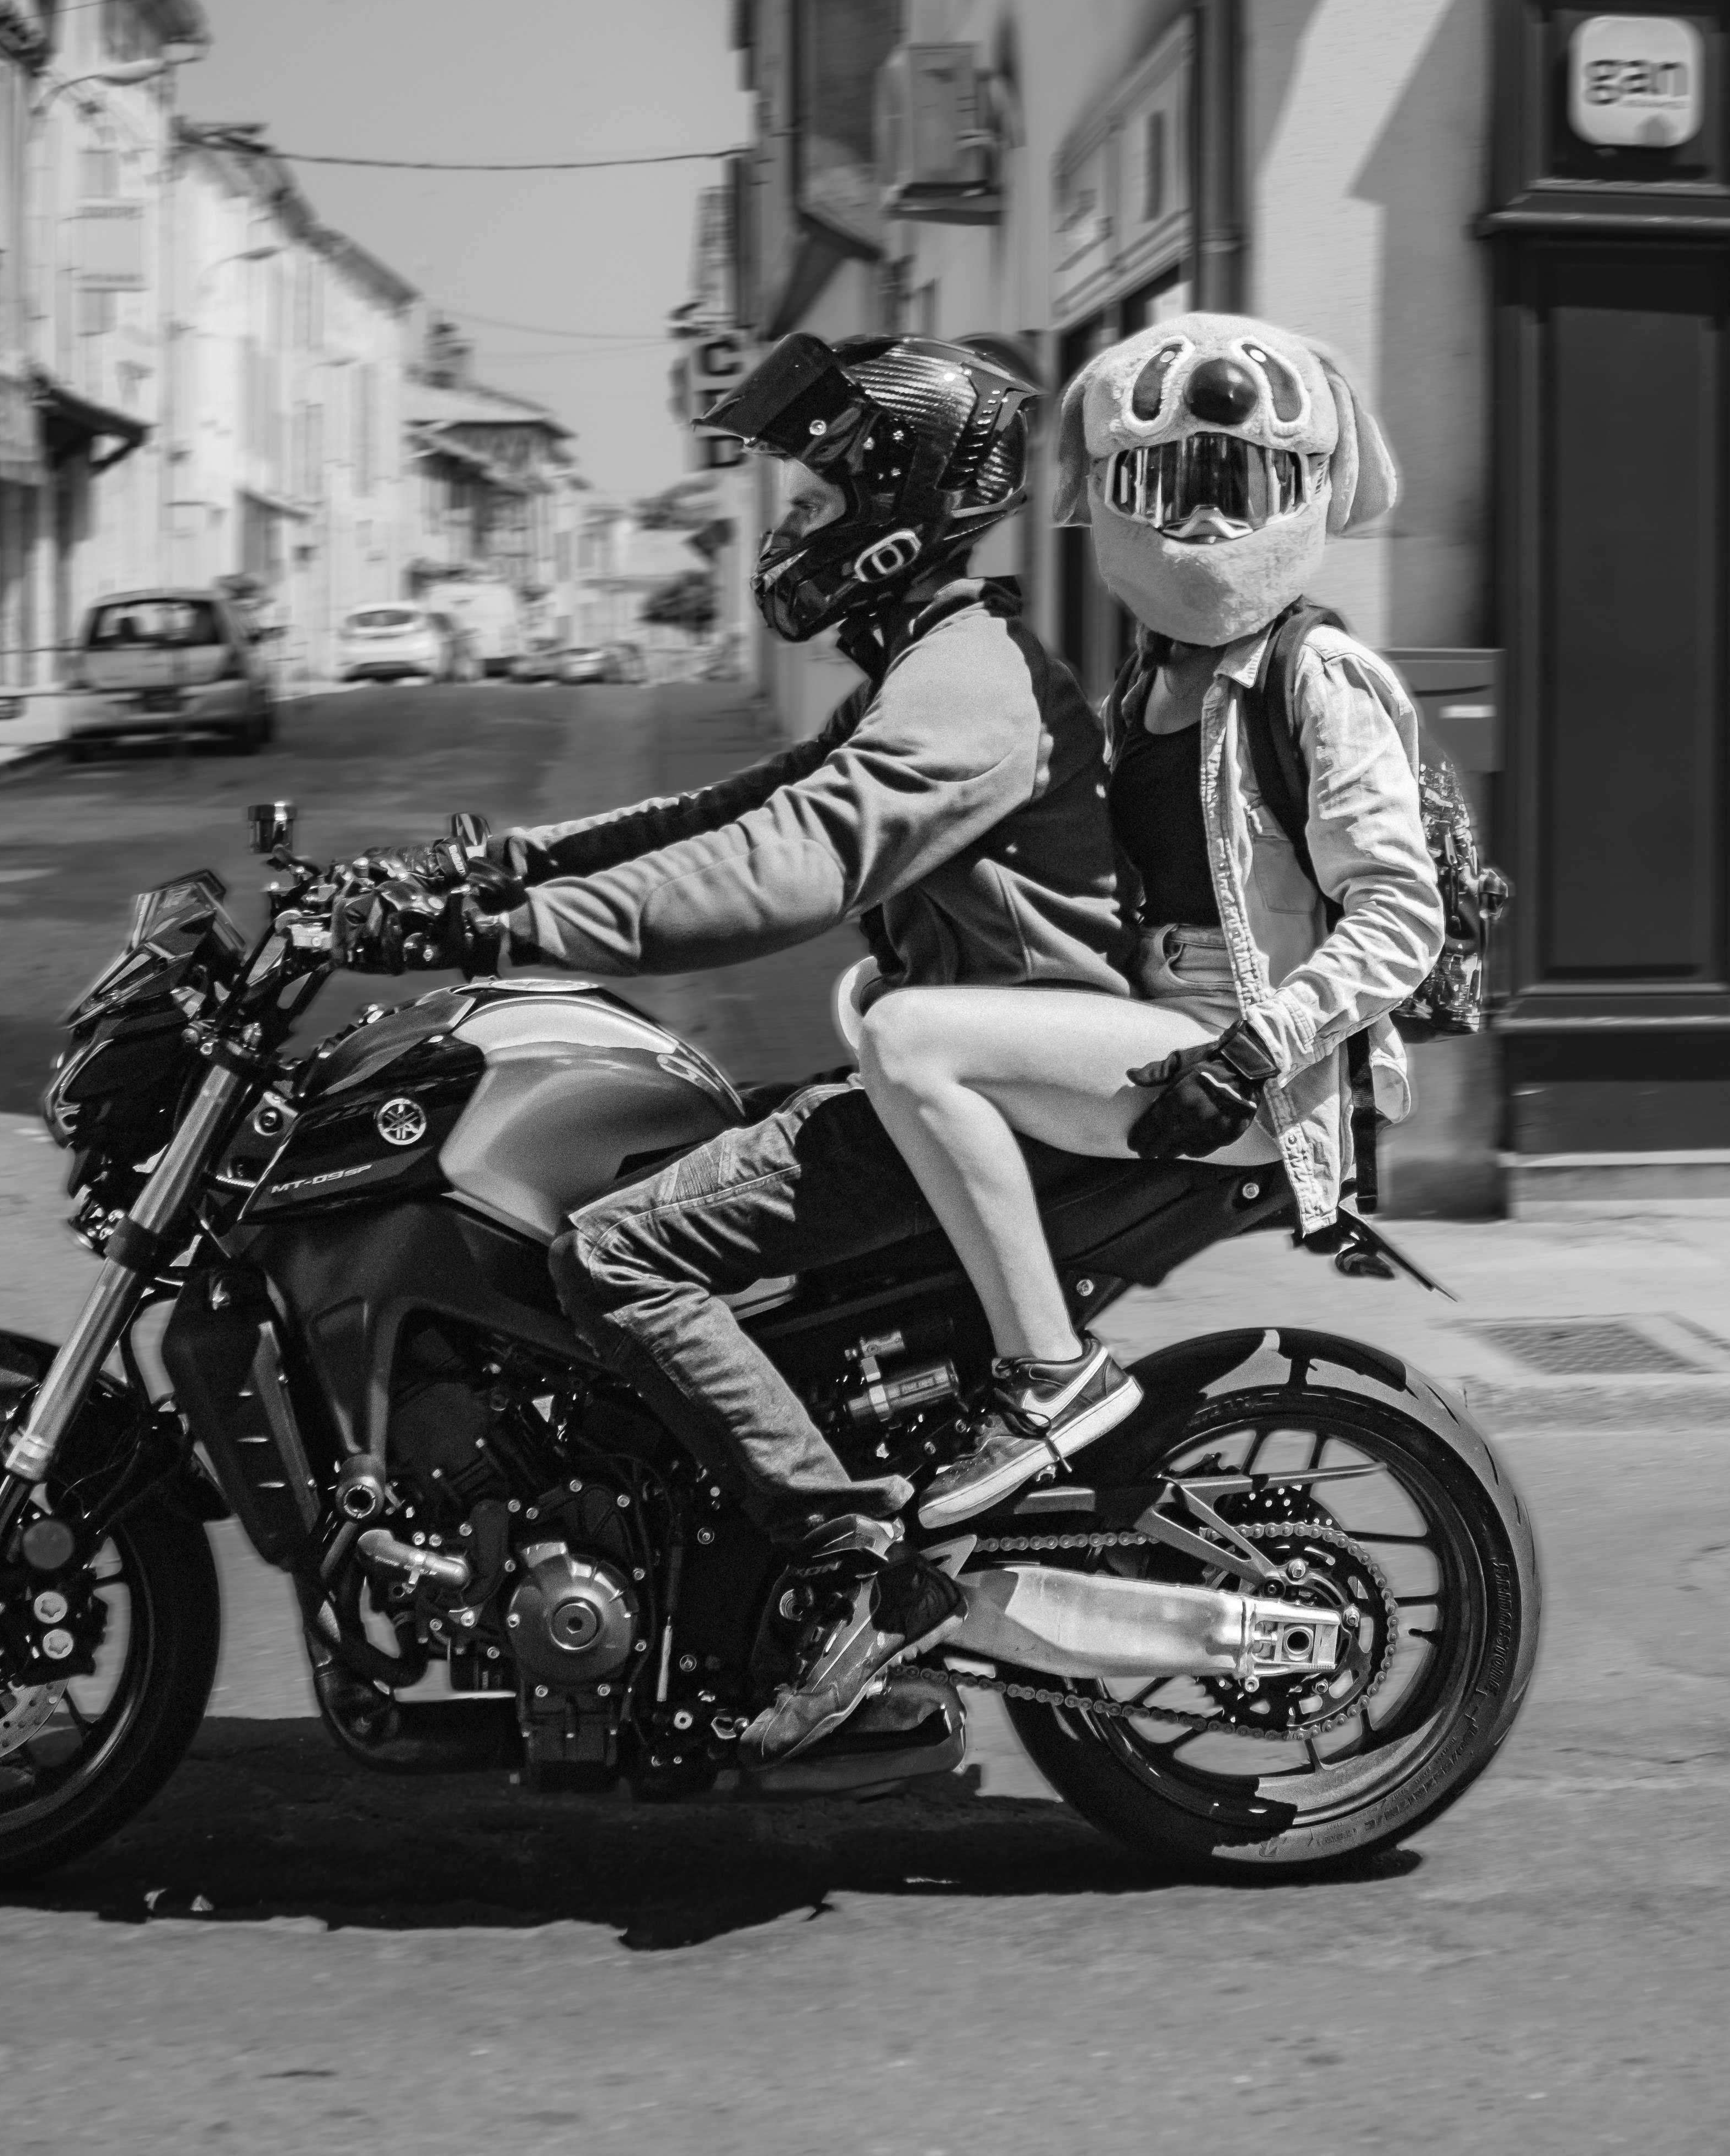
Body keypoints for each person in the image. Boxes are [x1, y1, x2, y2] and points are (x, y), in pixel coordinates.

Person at [336, 329, 1146, 1764]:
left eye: (827, 494)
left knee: (617, 1248)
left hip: (997, 1098)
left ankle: (852, 1578)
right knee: (658, 1160)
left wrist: (511, 930)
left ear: (900, 503)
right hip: (955, 1077)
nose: (799, 522)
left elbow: (786, 860)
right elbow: (731, 804)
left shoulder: (963, 682)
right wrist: (482, 872)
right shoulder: (934, 663)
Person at [855, 312, 1447, 1529]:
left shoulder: (1311, 676)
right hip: (1151, 1016)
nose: (1204, 519)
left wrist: (1248, 1054)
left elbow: (1398, 917)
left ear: (1303, 491)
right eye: (1167, 481)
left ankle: (1048, 1377)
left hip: (1234, 1055)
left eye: (1237, 484)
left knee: (914, 1041)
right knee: (876, 1031)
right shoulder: (1148, 679)